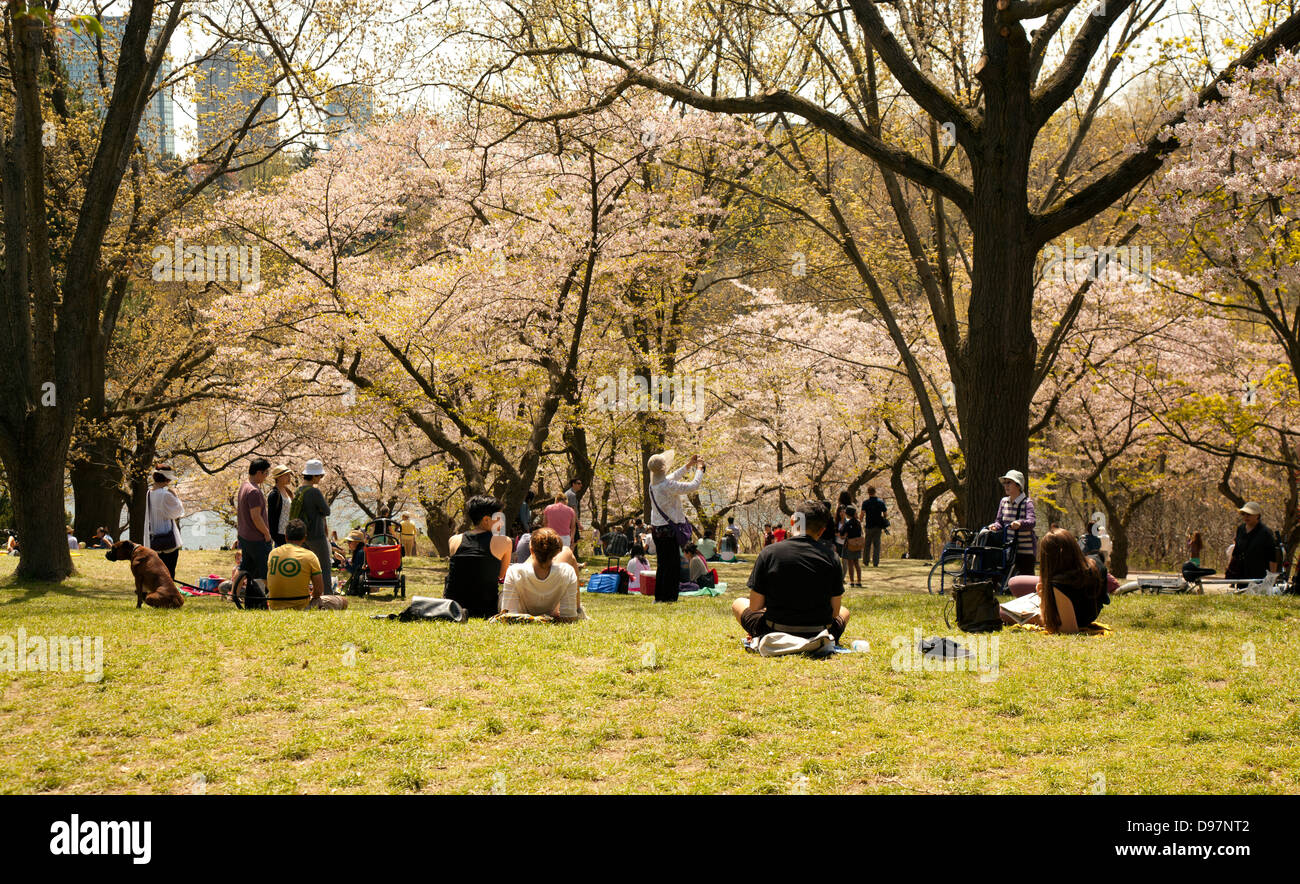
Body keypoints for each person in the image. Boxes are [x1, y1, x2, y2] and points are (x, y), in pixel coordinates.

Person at [732, 500, 851, 642]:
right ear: (822, 530)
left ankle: (760, 634)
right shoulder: (832, 557)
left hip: (773, 630)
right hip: (819, 632)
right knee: (845, 611)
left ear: (793, 522)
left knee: (738, 602)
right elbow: (835, 612)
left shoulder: (769, 552)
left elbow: (755, 605)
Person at [647, 450, 705, 603]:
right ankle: (669, 597)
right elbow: (694, 485)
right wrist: (699, 469)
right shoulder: (667, 485)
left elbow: (673, 476)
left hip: (657, 529)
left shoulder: (653, 484)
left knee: (662, 564)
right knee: (673, 565)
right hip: (669, 529)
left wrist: (689, 465)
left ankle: (659, 597)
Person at [445, 495, 513, 617]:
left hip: (454, 608)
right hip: (486, 609)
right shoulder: (505, 541)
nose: (502, 522)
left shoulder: (454, 540)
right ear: (486, 520)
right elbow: (501, 575)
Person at [1035, 528, 1111, 634]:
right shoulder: (1097, 564)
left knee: (1015, 585)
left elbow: (1069, 629)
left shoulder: (1059, 584)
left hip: (1064, 608)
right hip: (1088, 615)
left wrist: (1042, 598)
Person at [500, 528, 584, 621]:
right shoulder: (567, 571)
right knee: (567, 550)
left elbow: (509, 615)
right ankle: (580, 610)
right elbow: (569, 617)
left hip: (520, 610)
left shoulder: (514, 571)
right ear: (557, 552)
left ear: (531, 550)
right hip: (550, 611)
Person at [267, 519, 347, 611]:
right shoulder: (310, 556)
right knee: (343, 601)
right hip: (301, 606)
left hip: (274, 605)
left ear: (286, 537)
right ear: (304, 538)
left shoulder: (273, 553)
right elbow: (318, 590)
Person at [293, 459, 335, 595]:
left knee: (304, 567)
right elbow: (327, 511)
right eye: (320, 476)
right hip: (316, 534)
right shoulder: (314, 492)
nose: (321, 479)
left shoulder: (298, 491)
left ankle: (302, 593)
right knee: (324, 566)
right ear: (314, 476)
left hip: (302, 536)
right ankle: (327, 595)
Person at [989, 469, 1037, 577]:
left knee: (1026, 580)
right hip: (1009, 549)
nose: (1006, 485)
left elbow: (1032, 522)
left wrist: (1020, 523)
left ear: (1018, 485)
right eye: (1005, 483)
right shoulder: (1003, 501)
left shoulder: (1027, 502)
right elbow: (999, 521)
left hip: (1025, 550)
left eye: (1009, 482)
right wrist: (995, 526)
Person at [236, 459, 274, 588]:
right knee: (266, 570)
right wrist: (266, 533)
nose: (266, 476)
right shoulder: (254, 491)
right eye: (266, 473)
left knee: (244, 567)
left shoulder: (244, 486)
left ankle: (233, 594)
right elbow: (256, 516)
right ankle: (270, 597)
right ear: (259, 472)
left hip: (244, 534)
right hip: (257, 537)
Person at [145, 464, 186, 578]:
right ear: (167, 479)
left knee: (157, 574)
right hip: (168, 539)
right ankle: (168, 595)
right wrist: (175, 496)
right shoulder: (166, 494)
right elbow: (178, 512)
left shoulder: (149, 493)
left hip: (154, 539)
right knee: (169, 573)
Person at [1225, 502, 1281, 580]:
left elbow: (1272, 557)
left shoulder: (1266, 532)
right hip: (1242, 573)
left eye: (1249, 514)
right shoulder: (1240, 529)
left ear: (1257, 515)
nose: (1246, 517)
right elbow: (1236, 552)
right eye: (1244, 514)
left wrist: (1271, 578)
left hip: (1259, 574)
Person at [266, 464, 294, 547]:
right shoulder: (274, 494)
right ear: (278, 477)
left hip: (290, 534)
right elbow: (271, 519)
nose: (289, 477)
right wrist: (276, 537)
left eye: (289, 475)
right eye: (286, 475)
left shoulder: (288, 492)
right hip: (280, 536)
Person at [860, 486, 888, 567]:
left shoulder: (865, 503)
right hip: (878, 526)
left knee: (867, 545)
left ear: (868, 493)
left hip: (869, 526)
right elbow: (885, 514)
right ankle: (875, 563)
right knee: (876, 545)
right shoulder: (880, 502)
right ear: (875, 492)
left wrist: (860, 521)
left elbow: (862, 514)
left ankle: (866, 562)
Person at [840, 505, 864, 587]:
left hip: (849, 544)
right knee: (857, 563)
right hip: (857, 544)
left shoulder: (848, 523)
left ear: (848, 514)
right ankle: (859, 581)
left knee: (850, 563)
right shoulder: (858, 522)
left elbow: (842, 533)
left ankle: (852, 581)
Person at [565, 478, 584, 542]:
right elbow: (573, 510)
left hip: (567, 520)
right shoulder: (571, 495)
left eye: (581, 484)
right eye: (578, 483)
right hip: (571, 521)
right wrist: (579, 524)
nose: (581, 485)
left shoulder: (568, 493)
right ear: (573, 484)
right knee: (573, 541)